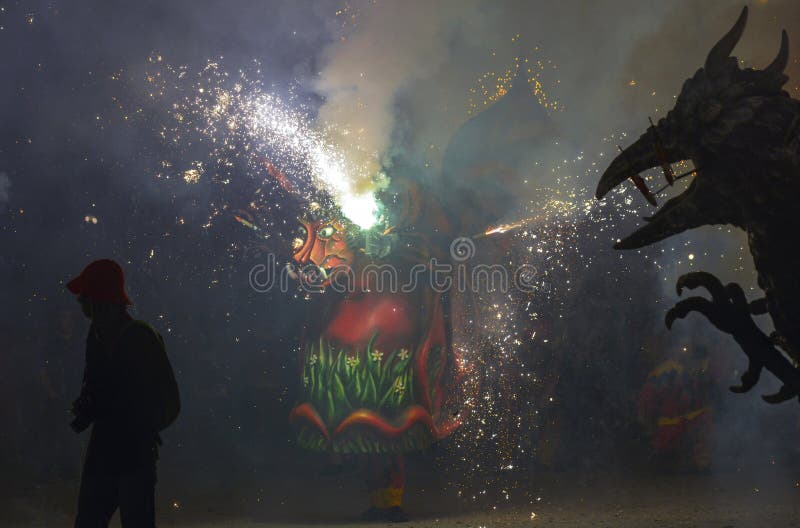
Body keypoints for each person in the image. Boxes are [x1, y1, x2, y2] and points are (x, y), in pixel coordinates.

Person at [67, 259, 180, 527]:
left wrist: (139, 430)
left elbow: (170, 403)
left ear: (97, 298)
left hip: (133, 452)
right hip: (105, 448)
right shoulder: (95, 335)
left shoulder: (140, 338)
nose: (80, 302)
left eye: (85, 296)